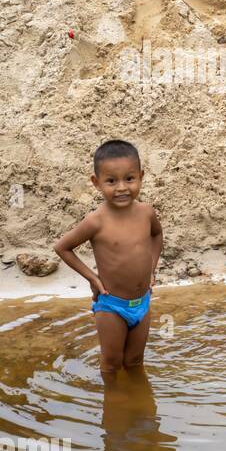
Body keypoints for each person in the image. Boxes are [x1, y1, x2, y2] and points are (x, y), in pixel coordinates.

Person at [54, 140, 164, 375]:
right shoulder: (96, 220)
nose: (122, 187)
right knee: (112, 364)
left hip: (142, 301)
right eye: (111, 181)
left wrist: (152, 269)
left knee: (134, 361)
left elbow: (157, 235)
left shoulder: (146, 212)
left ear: (141, 176)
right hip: (112, 306)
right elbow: (63, 247)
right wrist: (92, 278)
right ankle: (113, 409)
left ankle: (137, 408)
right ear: (96, 183)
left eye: (129, 178)